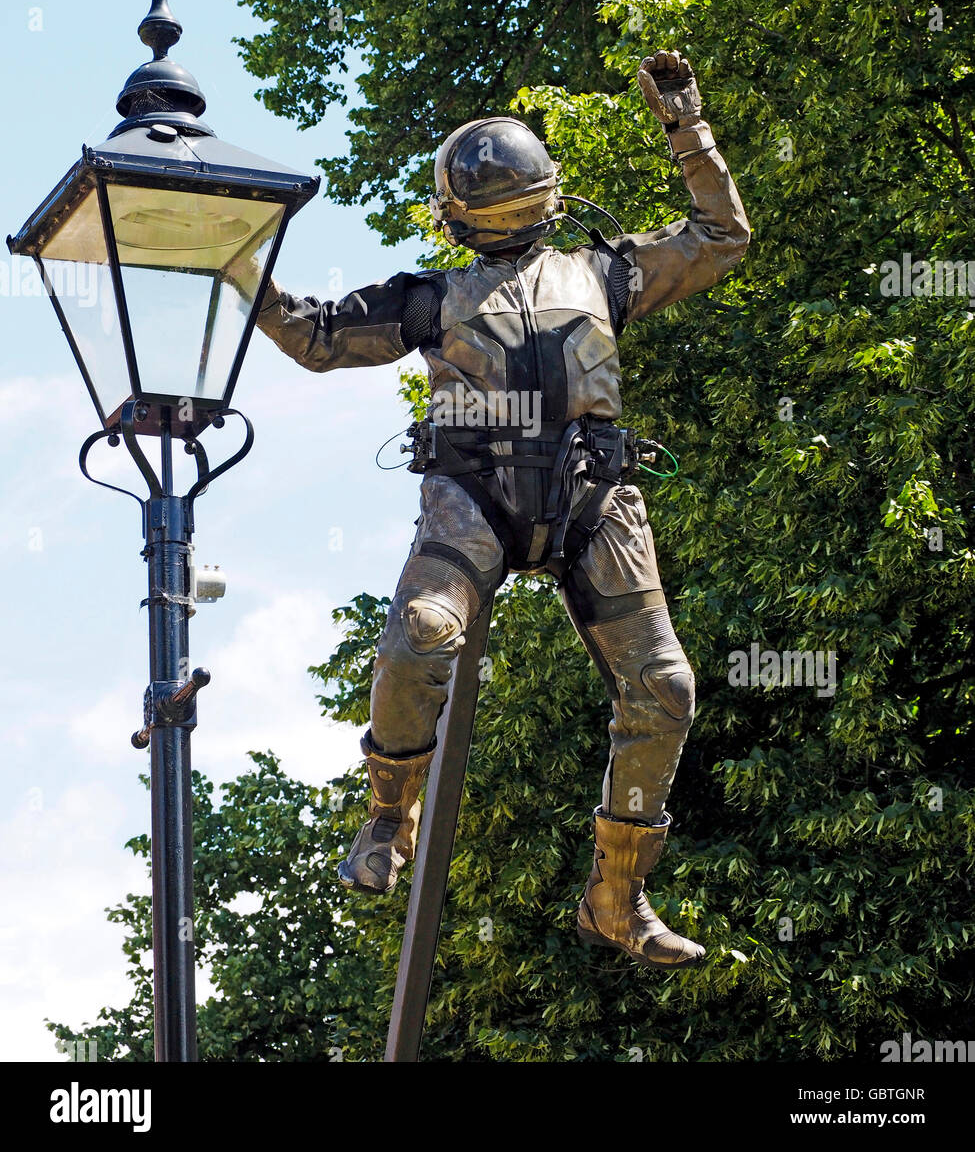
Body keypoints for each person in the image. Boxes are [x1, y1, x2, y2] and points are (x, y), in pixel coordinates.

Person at [252, 50, 750, 969]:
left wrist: (687, 122)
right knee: (419, 631)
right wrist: (239, 257)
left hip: (595, 501)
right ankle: (386, 819)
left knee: (667, 688)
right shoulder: (428, 300)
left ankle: (617, 893)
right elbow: (314, 336)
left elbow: (720, 236)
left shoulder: (608, 274)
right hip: (470, 500)